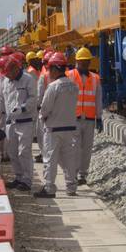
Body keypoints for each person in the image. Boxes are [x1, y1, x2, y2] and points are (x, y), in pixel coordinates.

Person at [0, 55, 37, 191]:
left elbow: (33, 99)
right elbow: (1, 101)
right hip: (11, 121)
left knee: (24, 151)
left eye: (8, 72)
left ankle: (27, 180)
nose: (8, 75)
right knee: (12, 151)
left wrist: (22, 108)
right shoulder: (5, 81)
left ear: (15, 68)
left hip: (25, 121)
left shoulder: (28, 80)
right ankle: (18, 177)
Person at [34, 53, 80, 198]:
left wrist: (42, 118)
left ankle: (49, 188)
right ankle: (71, 187)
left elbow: (45, 108)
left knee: (50, 159)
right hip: (70, 128)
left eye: (50, 69)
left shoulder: (53, 87)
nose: (48, 72)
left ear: (55, 69)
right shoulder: (74, 86)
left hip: (53, 129)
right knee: (69, 159)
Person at [67, 46, 101, 185]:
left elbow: (98, 99)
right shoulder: (69, 76)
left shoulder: (95, 78)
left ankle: (82, 175)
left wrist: (99, 117)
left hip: (89, 119)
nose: (85, 64)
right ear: (77, 62)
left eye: (87, 61)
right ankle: (73, 174)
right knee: (74, 148)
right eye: (82, 62)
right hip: (73, 118)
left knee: (86, 149)